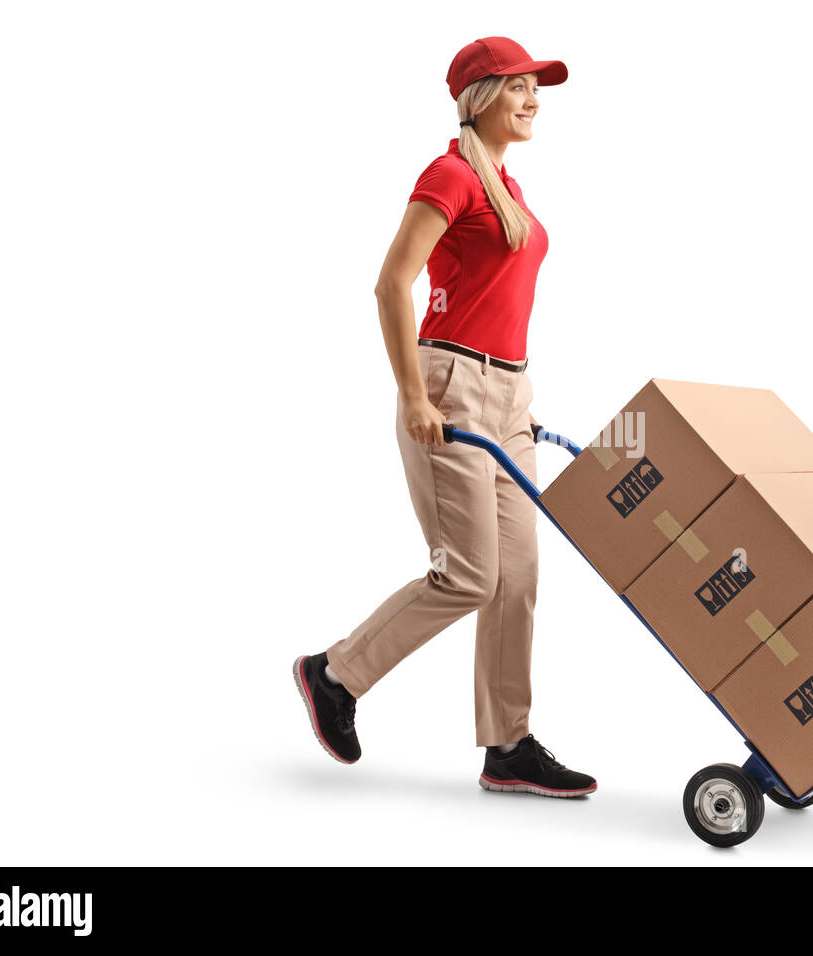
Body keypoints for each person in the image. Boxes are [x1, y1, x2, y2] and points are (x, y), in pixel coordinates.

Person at [293, 37, 596, 798]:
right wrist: (413, 394)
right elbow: (392, 284)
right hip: (450, 384)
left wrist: (513, 395)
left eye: (538, 88)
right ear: (478, 96)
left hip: (511, 393)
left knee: (517, 577)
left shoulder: (509, 187)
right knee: (468, 574)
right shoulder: (451, 174)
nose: (532, 100)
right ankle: (334, 674)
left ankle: (508, 745)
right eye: (517, 87)